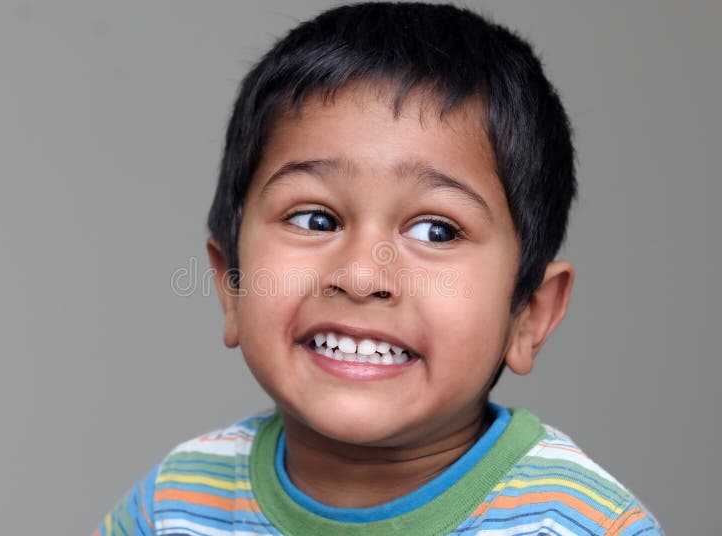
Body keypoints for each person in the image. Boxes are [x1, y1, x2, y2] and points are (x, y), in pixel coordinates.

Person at [96, 3, 662, 534]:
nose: (362, 277)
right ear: (231, 284)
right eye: (315, 219)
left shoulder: (576, 523)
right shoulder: (171, 508)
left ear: (529, 315)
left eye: (436, 230)